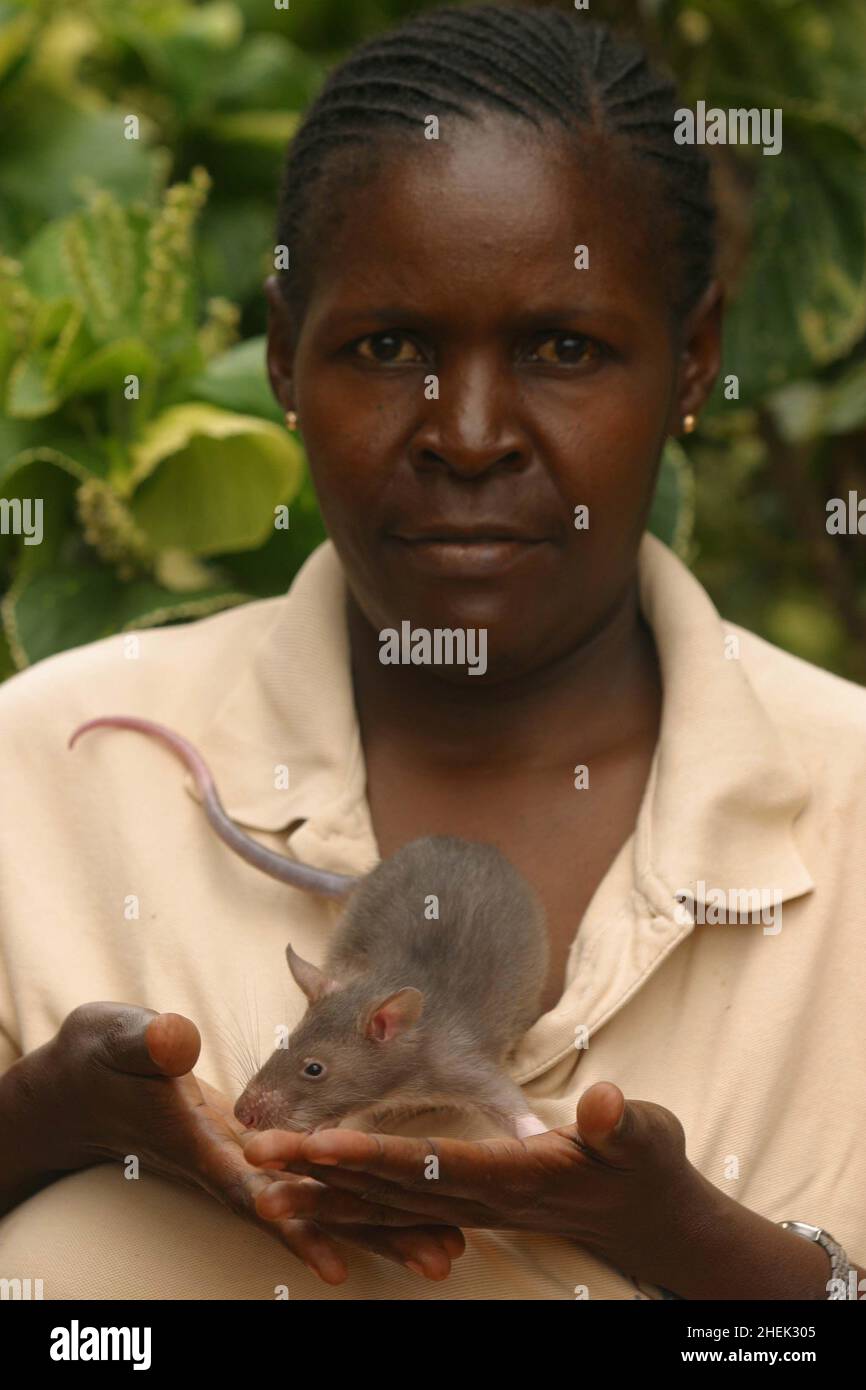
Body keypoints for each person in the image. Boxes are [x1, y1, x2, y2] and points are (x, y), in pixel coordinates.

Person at [0, 3, 864, 1301]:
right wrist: (54, 1116)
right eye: (387, 345)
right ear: (284, 357)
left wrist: (689, 1242)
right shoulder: (35, 776)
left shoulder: (847, 802)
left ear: (691, 361)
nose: (465, 434)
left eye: (562, 347)